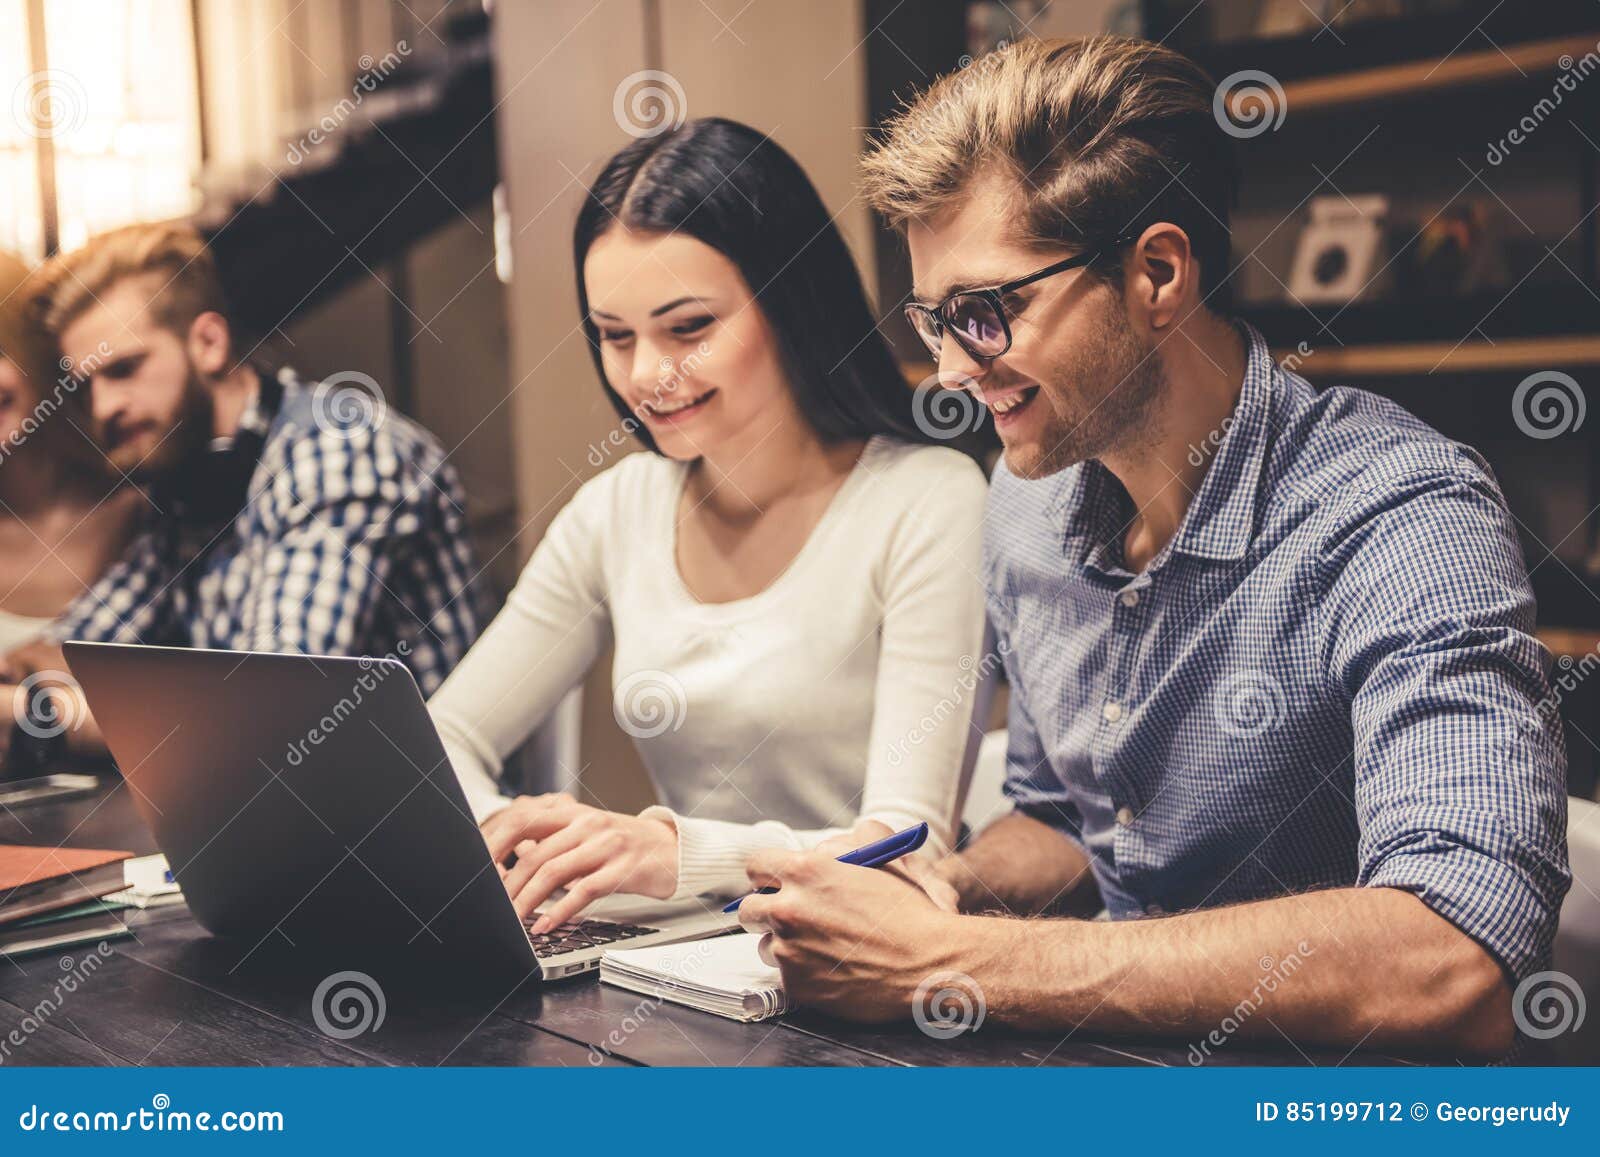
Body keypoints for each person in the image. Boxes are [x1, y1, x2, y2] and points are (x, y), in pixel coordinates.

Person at [735, 36, 1570, 1060]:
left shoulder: (1402, 514)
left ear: (1158, 273)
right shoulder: (1025, 503)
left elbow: (1455, 956)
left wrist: (947, 959)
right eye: (932, 319)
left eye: (984, 314)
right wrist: (942, 886)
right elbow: (1062, 821)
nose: (949, 369)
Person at [428, 118, 990, 935]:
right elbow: (446, 732)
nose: (647, 374)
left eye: (689, 327)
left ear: (791, 306)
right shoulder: (617, 510)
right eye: (614, 336)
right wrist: (510, 840)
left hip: (858, 979)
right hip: (673, 962)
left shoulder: (927, 499)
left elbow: (903, 850)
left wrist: (676, 851)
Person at [9, 224, 485, 762]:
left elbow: (270, 719)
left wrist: (33, 716)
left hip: (410, 824)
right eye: (84, 386)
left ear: (208, 343)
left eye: (124, 369)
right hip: (286, 816)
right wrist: (29, 674)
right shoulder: (191, 478)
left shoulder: (339, 451)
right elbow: (79, 649)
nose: (102, 408)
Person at [0, 252, 141, 770]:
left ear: (35, 355)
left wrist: (30, 709)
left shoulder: (145, 502)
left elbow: (204, 714)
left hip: (141, 829)